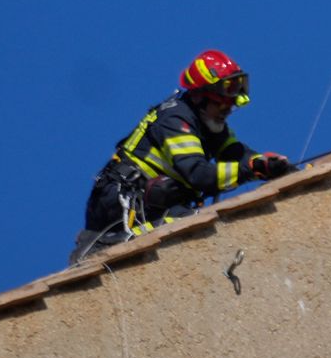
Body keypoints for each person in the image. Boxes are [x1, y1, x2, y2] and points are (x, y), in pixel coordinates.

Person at [70, 50, 291, 262]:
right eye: (221, 101)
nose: (229, 107)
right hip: (120, 202)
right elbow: (198, 174)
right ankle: (101, 245)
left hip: (151, 202)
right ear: (200, 97)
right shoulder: (176, 119)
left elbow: (237, 154)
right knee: (188, 223)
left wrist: (265, 164)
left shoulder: (211, 124)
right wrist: (249, 171)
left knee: (190, 219)